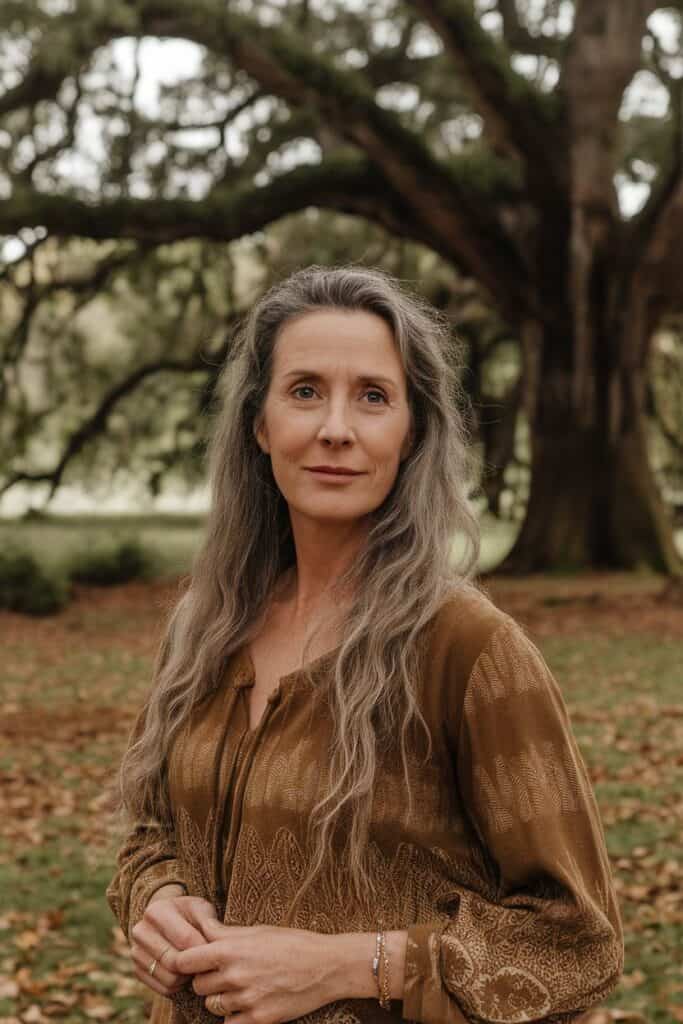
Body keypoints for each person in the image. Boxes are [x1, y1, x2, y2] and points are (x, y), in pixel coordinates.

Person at [107, 264, 624, 1024]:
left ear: (412, 432)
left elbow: (578, 946)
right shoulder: (207, 627)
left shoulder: (468, 652)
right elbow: (152, 831)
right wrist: (156, 899)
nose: (335, 429)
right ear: (260, 424)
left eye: (373, 397)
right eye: (305, 390)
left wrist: (344, 967)